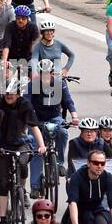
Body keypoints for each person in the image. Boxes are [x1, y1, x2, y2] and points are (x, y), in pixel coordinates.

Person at [0, 79, 45, 224]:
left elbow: (34, 126)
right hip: (1, 146)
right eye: (6, 92)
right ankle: (3, 220)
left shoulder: (25, 105)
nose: (9, 95)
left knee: (23, 164)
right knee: (3, 182)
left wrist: (42, 146)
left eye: (12, 92)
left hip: (20, 144)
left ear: (18, 94)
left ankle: (22, 189)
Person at [27, 60, 77, 197]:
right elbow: (26, 104)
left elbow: (68, 101)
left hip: (55, 117)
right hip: (37, 120)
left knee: (63, 132)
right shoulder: (33, 85)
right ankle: (35, 186)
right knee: (37, 149)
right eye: (43, 73)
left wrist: (74, 116)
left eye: (48, 73)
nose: (45, 76)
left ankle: (60, 162)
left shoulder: (60, 84)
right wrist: (29, 121)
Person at [66, 149, 112, 224]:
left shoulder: (108, 177)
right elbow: (72, 202)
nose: (99, 166)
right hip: (79, 211)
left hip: (97, 210)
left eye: (102, 163)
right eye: (95, 163)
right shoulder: (76, 177)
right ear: (88, 163)